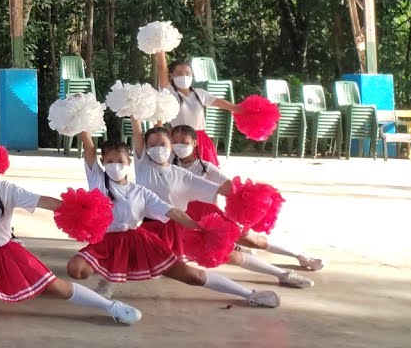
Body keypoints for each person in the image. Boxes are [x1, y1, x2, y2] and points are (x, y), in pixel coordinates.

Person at [0, 139, 142, 323]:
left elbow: (43, 201)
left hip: (7, 252)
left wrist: (76, 209)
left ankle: (111, 307)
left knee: (55, 286)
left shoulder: (7, 189)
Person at [67, 131, 281, 308]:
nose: (115, 165)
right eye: (110, 161)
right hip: (105, 242)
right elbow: (89, 148)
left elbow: (173, 212)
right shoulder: (97, 180)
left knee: (192, 276)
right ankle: (111, 274)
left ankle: (249, 293)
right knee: (75, 269)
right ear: (102, 162)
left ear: (129, 162)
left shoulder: (141, 192)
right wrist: (82, 119)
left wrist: (200, 228)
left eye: (120, 161)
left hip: (139, 241)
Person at [172, 125, 325, 280]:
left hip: (208, 216)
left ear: (195, 143)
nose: (179, 146)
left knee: (252, 240)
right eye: (175, 142)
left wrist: (246, 206)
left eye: (183, 142)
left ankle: (299, 255)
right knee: (228, 255)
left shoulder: (206, 167)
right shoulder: (167, 165)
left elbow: (231, 187)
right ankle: (282, 274)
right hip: (178, 215)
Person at [154, 53, 238, 164]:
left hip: (200, 140)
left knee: (206, 175)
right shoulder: (169, 92)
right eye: (179, 74)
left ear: (192, 75)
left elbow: (223, 104)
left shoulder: (200, 93)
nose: (184, 77)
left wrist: (240, 109)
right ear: (171, 76)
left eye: (188, 74)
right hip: (178, 140)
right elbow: (161, 67)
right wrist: (160, 45)